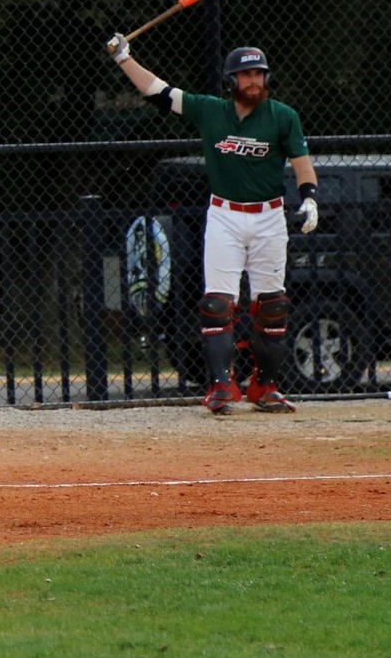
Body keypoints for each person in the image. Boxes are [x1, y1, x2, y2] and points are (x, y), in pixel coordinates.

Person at [107, 35, 319, 414]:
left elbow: (301, 159)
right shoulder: (210, 111)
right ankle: (222, 386)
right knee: (217, 303)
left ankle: (264, 387)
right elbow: (159, 91)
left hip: (270, 217)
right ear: (230, 80)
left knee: (272, 306)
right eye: (245, 75)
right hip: (225, 215)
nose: (253, 81)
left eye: (259, 74)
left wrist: (309, 196)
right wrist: (124, 58)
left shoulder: (283, 116)